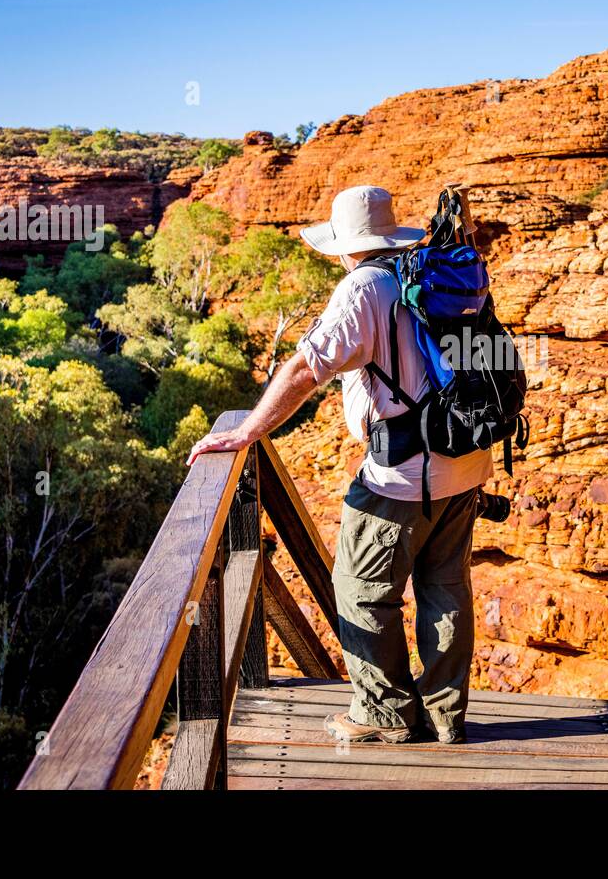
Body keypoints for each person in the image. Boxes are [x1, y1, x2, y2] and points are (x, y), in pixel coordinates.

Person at [187, 184, 491, 745]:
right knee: (446, 588)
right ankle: (446, 719)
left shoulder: (364, 287)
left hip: (403, 476)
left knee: (360, 589)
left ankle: (384, 713)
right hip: (467, 462)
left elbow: (306, 369)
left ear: (348, 246)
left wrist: (248, 430)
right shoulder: (428, 274)